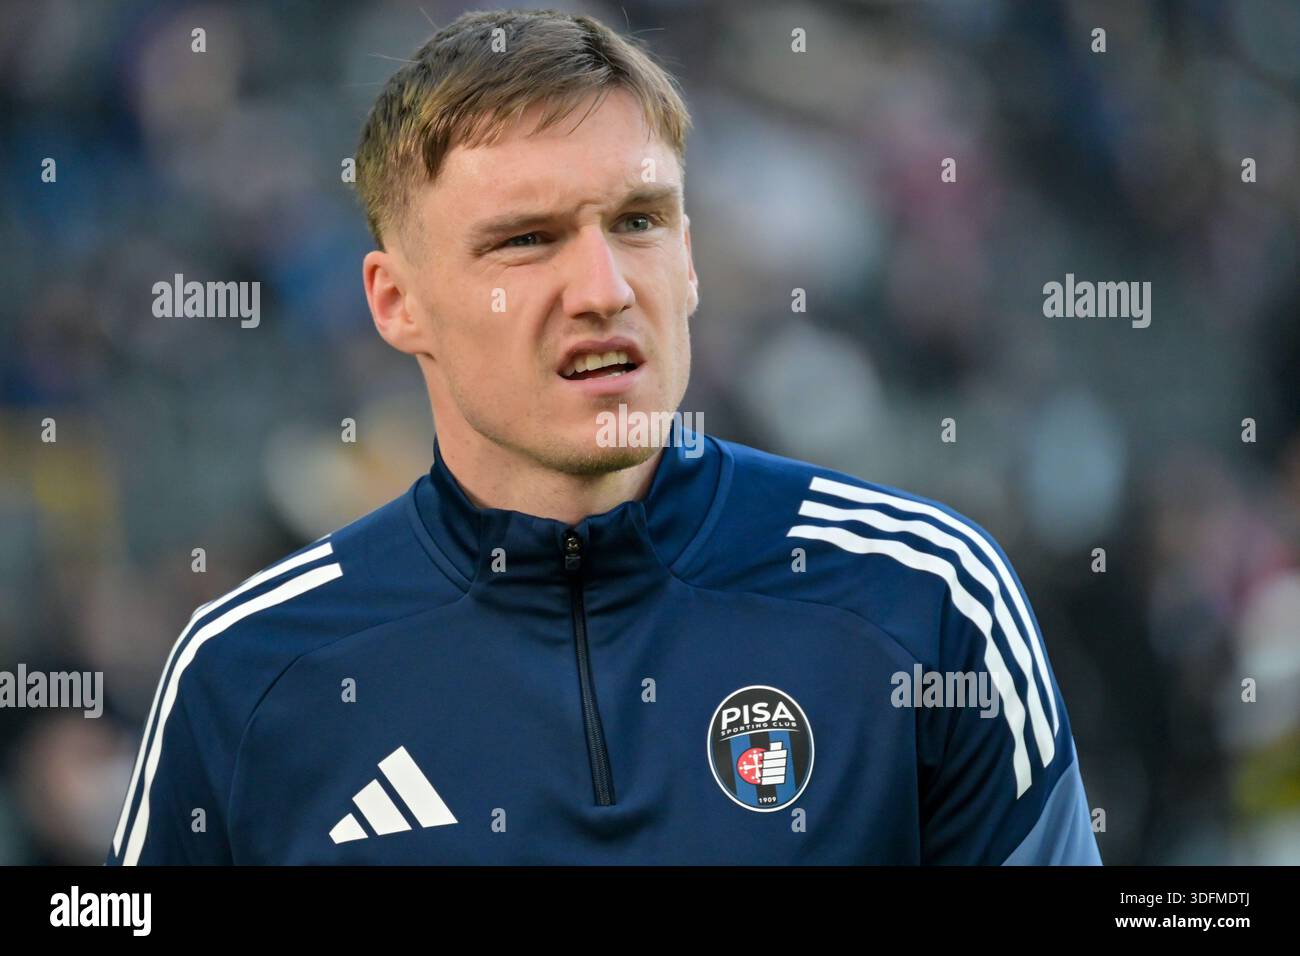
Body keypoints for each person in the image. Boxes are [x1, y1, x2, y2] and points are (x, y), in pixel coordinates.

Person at [106, 8, 1101, 865]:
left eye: (637, 221)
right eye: (526, 239)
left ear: (691, 259)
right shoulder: (247, 680)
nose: (604, 289)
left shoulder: (920, 598)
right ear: (396, 300)